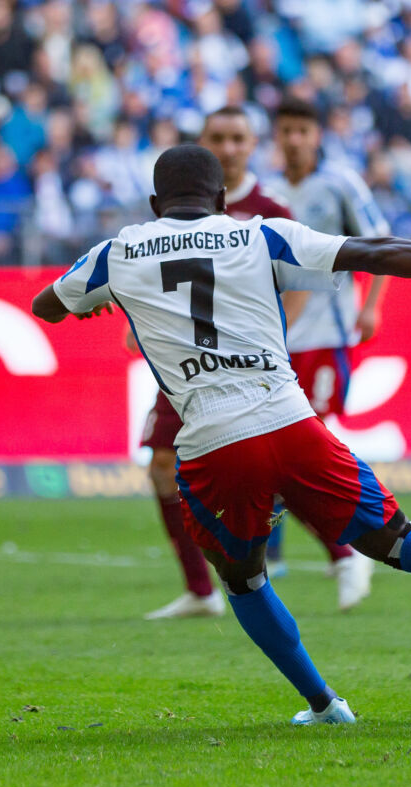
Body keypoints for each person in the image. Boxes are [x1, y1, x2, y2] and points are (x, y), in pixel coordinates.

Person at [31, 144, 411, 724]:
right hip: (289, 419)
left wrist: (95, 302)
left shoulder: (118, 252)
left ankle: (326, 705)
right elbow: (375, 251)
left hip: (211, 441)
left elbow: (46, 305)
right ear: (223, 199)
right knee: (397, 537)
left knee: (244, 578)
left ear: (155, 204)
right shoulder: (260, 235)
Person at [137, 106, 363, 619]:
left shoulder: (269, 208)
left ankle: (343, 553)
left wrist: (265, 339)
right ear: (203, 141)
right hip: (185, 367)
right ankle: (200, 592)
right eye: (219, 137)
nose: (230, 146)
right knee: (160, 466)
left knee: (275, 467)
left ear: (253, 144)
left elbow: (300, 285)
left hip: (248, 367)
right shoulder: (172, 210)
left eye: (239, 137)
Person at [266, 96, 389, 593]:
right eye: (286, 130)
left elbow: (379, 242)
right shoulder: (267, 192)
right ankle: (272, 556)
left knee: (298, 448)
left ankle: (350, 549)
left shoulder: (340, 184)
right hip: (274, 341)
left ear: (316, 134)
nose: (294, 139)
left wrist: (373, 304)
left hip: (327, 335)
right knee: (273, 448)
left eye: (302, 130)